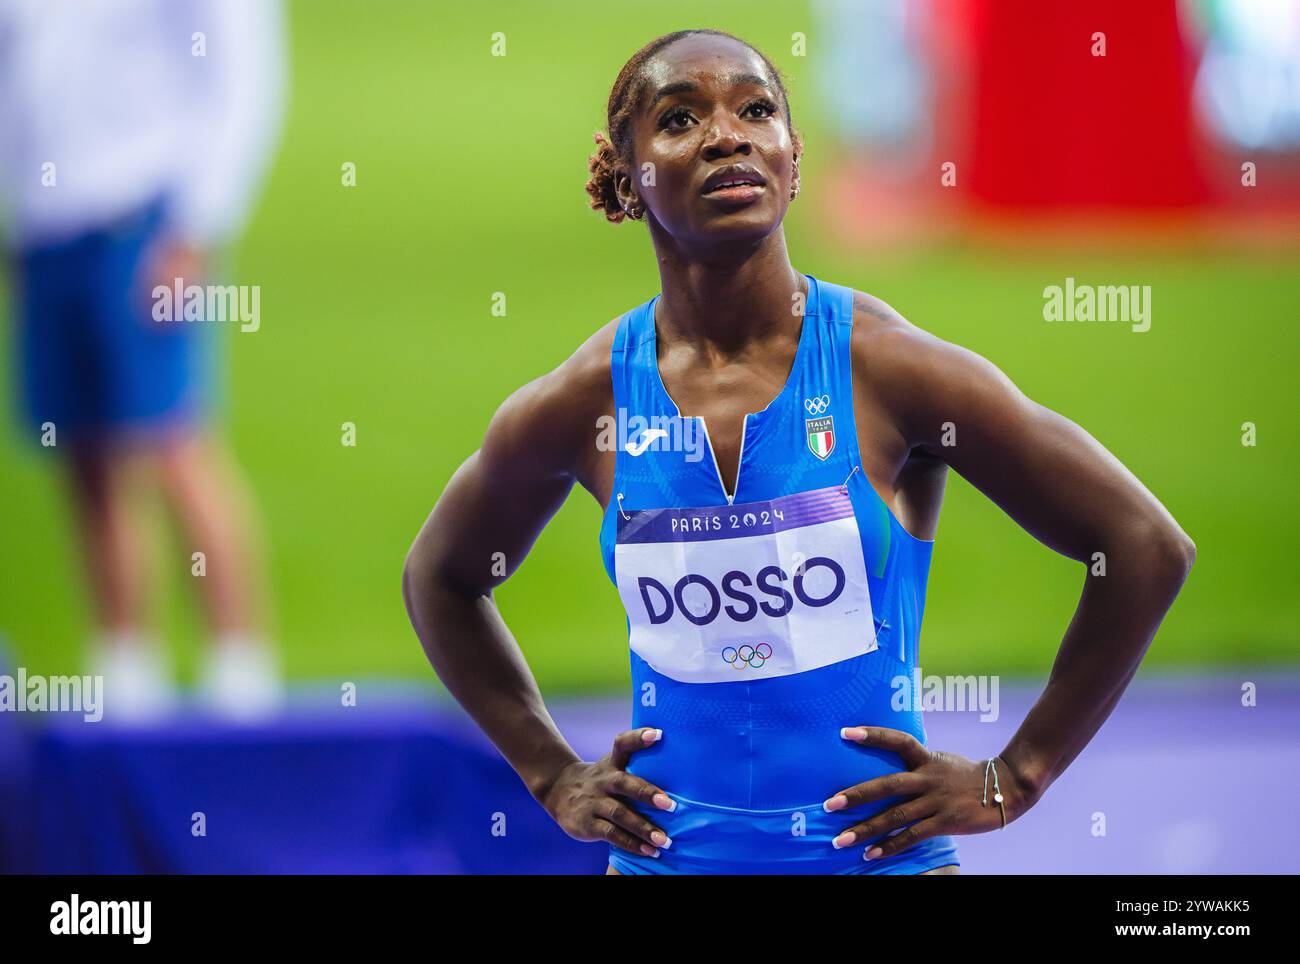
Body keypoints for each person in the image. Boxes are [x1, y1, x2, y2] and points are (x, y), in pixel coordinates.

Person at [402, 29, 1195, 874]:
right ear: (629, 173)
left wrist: (1017, 776)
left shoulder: (889, 371)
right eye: (680, 119)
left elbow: (1143, 545)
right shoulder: (588, 399)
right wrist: (552, 774)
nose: (726, 135)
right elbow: (442, 577)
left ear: (793, 154)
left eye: (755, 110)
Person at [0, 0, 288, 721]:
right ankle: (127, 672)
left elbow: (243, 68)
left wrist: (200, 220)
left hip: (141, 210)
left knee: (169, 439)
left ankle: (240, 673)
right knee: (83, 454)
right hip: (45, 224)